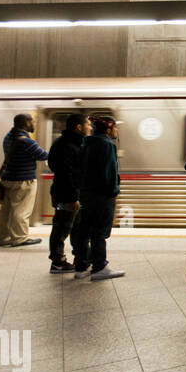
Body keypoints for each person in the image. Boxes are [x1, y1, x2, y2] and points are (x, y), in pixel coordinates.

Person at [75, 116, 125, 281]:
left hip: (87, 194)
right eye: (115, 127)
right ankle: (100, 266)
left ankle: (81, 266)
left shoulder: (86, 143)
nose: (116, 131)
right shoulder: (107, 145)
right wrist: (113, 192)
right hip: (102, 196)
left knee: (85, 230)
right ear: (109, 129)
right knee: (99, 232)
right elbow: (108, 173)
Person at [0, 113, 48, 247]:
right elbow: (42, 155)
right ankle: (20, 238)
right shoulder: (26, 141)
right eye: (33, 122)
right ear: (26, 123)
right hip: (24, 180)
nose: (35, 124)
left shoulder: (8, 137)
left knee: (6, 211)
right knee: (21, 210)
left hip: (8, 178)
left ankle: (4, 238)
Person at [46, 114, 88, 273]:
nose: (90, 127)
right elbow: (66, 173)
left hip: (67, 192)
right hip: (66, 194)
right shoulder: (67, 145)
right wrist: (72, 197)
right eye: (88, 124)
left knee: (74, 227)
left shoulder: (67, 143)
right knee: (62, 227)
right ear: (79, 127)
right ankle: (57, 262)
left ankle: (76, 257)